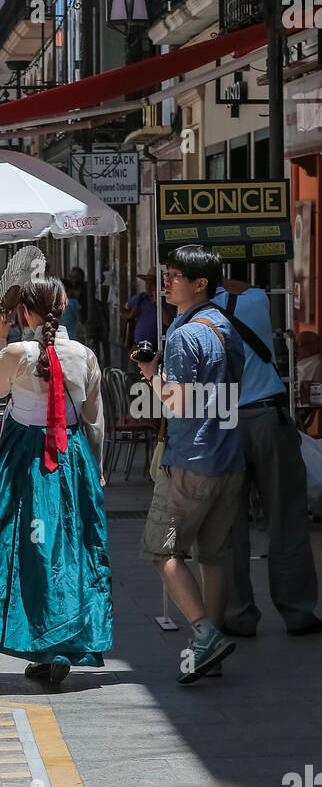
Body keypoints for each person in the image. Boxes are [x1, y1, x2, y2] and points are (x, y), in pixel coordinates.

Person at [0, 275, 111, 684]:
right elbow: (93, 419)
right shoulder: (84, 355)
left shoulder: (16, 351)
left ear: (24, 313)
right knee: (69, 550)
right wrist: (96, 466)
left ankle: (42, 643)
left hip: (23, 461)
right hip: (71, 459)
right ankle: (63, 641)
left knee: (25, 546)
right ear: (64, 306)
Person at [137, 246, 245, 683]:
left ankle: (204, 635)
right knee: (214, 555)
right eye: (167, 273)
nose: (167, 281)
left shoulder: (184, 336)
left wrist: (148, 372)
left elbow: (176, 401)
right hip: (229, 458)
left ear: (200, 284)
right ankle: (210, 649)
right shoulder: (225, 327)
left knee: (160, 549)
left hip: (189, 462)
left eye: (176, 275)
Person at [210, 279, 321, 637]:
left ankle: (238, 613)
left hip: (222, 423)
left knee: (229, 526)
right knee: (286, 517)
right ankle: (298, 610)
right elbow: (248, 286)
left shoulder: (193, 318)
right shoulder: (257, 300)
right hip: (267, 418)